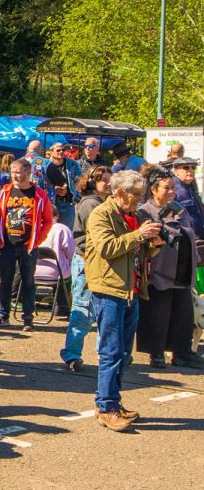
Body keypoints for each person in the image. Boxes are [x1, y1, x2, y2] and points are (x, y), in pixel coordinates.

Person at [84, 170, 159, 431]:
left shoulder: (133, 215)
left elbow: (133, 249)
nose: (140, 200)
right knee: (111, 352)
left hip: (131, 289)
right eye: (136, 195)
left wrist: (152, 241)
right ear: (119, 192)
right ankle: (106, 406)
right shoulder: (100, 214)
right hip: (109, 290)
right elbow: (108, 248)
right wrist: (139, 235)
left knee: (124, 354)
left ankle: (112, 402)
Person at [136, 168, 201, 369]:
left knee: (183, 314)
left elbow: (189, 231)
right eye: (167, 188)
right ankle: (156, 354)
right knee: (158, 314)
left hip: (182, 270)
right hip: (160, 271)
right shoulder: (145, 211)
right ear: (154, 190)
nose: (172, 191)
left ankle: (182, 353)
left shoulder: (178, 208)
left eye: (173, 187)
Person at [0, 157, 54, 331]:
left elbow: (48, 220)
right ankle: (3, 315)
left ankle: (28, 318)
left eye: (18, 172)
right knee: (5, 281)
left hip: (28, 245)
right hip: (7, 243)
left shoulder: (39, 195)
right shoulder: (4, 193)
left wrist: (37, 240)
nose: (15, 176)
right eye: (13, 172)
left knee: (28, 282)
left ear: (28, 172)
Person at [61, 165, 112, 372]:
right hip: (86, 261)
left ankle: (104, 354)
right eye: (104, 180)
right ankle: (72, 354)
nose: (108, 184)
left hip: (99, 261)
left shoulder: (103, 203)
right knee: (83, 309)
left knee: (103, 309)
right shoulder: (91, 204)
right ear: (92, 182)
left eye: (111, 179)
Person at [43, 142, 80, 228]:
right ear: (51, 152)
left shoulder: (72, 164)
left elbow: (79, 180)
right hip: (52, 203)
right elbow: (42, 183)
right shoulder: (45, 165)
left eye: (63, 150)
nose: (61, 152)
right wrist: (54, 190)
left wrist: (77, 197)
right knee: (50, 230)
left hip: (68, 203)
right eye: (58, 150)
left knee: (67, 229)